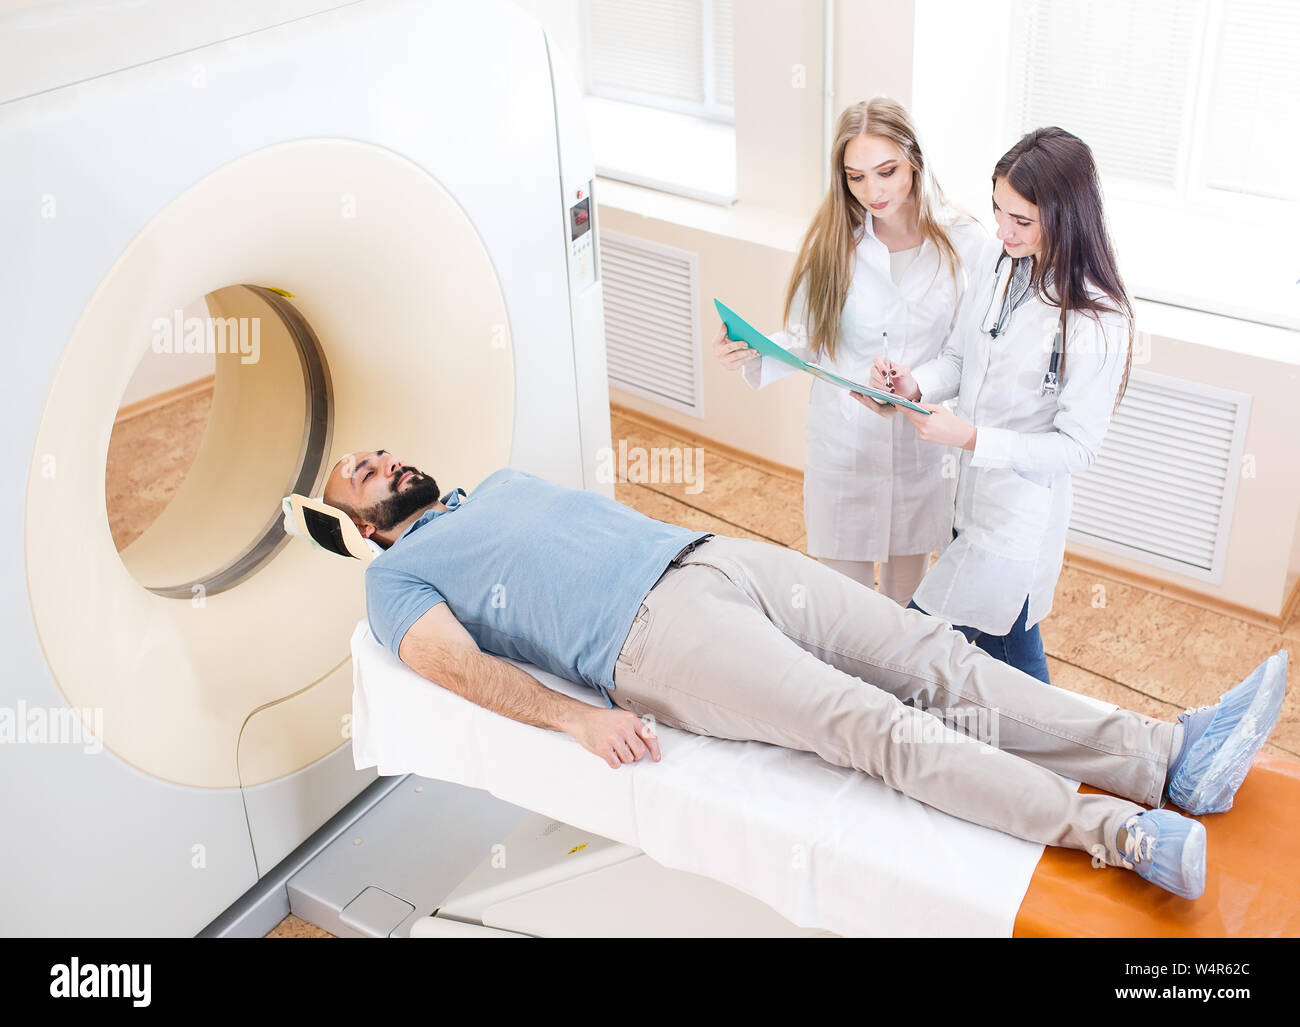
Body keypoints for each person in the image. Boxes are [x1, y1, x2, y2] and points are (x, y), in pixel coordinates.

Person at [322, 448, 1289, 902]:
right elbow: (452, 667)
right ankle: (1118, 831)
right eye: (360, 474)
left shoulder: (496, 483)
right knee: (872, 726)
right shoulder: (398, 579)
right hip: (650, 642)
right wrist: (572, 723)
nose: (380, 459)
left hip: (718, 557)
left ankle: (1171, 756)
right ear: (363, 527)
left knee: (938, 657)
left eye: (375, 451)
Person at [857, 127, 1132, 684]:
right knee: (1014, 662)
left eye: (1022, 221)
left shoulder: (1096, 319)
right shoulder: (996, 261)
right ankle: (1053, 759)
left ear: (1067, 217)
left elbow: (1077, 448)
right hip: (967, 504)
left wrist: (972, 439)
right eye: (998, 211)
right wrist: (912, 384)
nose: (1003, 230)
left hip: (1015, 525)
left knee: (914, 652)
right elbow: (960, 358)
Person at [712, 98, 988, 607]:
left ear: (915, 161)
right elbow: (804, 337)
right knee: (843, 610)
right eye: (856, 177)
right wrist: (750, 351)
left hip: (920, 453)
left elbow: (962, 357)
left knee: (909, 611)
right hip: (844, 447)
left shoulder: (961, 244)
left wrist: (913, 383)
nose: (872, 191)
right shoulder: (834, 241)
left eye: (886, 172)